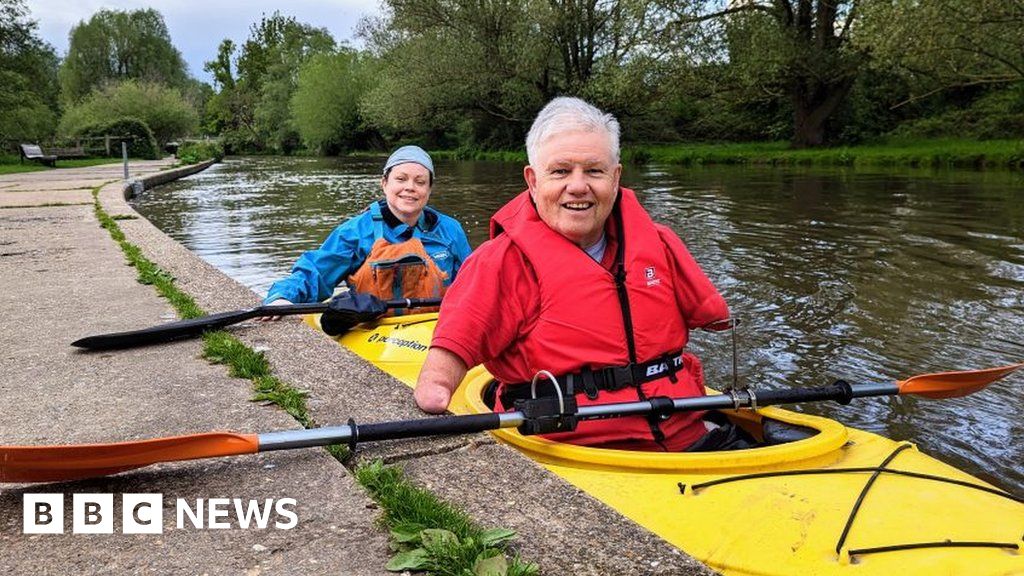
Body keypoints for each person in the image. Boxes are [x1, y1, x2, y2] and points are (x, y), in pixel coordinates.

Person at [414, 97, 746, 452]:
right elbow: (441, 370)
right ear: (533, 180)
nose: (578, 186)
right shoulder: (499, 263)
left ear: (615, 177)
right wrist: (435, 392)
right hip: (572, 446)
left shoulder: (659, 243)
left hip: (684, 430)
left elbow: (715, 318)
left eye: (594, 171)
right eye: (560, 171)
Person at [263, 146, 472, 326]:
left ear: (429, 189)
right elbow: (315, 271)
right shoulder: (355, 232)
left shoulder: (450, 230)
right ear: (384, 183)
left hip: (433, 327)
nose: (410, 187)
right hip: (374, 330)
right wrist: (283, 297)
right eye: (401, 179)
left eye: (420, 182)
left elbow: (473, 283)